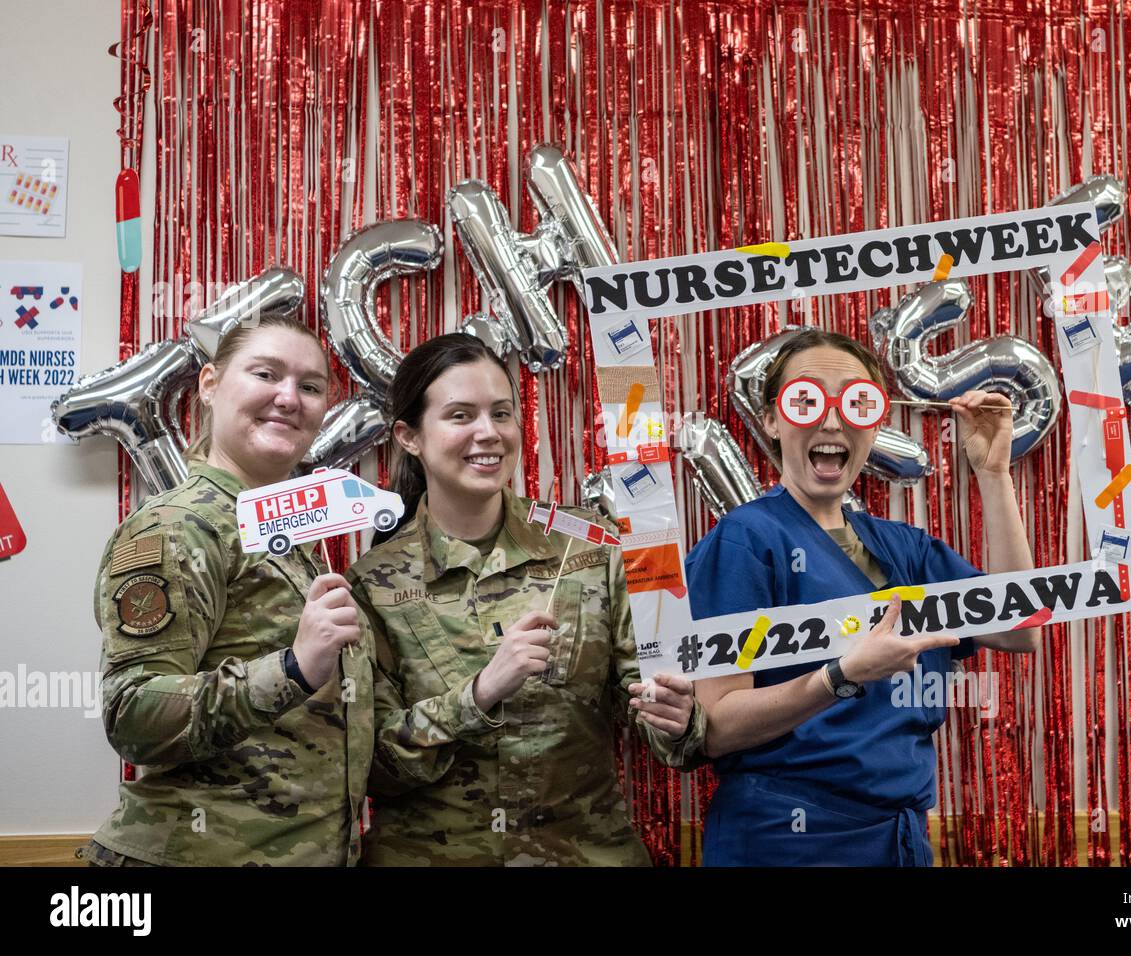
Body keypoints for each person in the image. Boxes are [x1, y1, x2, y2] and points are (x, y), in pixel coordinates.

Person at [684, 328, 1042, 866]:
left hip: (899, 840)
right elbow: (714, 727)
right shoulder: (746, 540)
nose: (831, 421)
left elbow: (1019, 626)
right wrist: (840, 676)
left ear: (875, 421)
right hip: (786, 840)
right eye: (805, 401)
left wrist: (993, 473)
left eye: (855, 404)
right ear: (772, 420)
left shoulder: (906, 548)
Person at [346, 333, 707, 866]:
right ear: (409, 436)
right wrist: (480, 694)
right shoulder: (371, 584)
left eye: (502, 413)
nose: (488, 433)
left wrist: (677, 717)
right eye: (460, 416)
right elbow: (371, 767)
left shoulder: (592, 547)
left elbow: (665, 722)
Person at [81, 315, 371, 867]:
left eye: (310, 387)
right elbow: (133, 716)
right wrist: (292, 669)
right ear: (210, 385)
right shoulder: (178, 526)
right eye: (267, 374)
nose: (289, 398)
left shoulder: (282, 534)